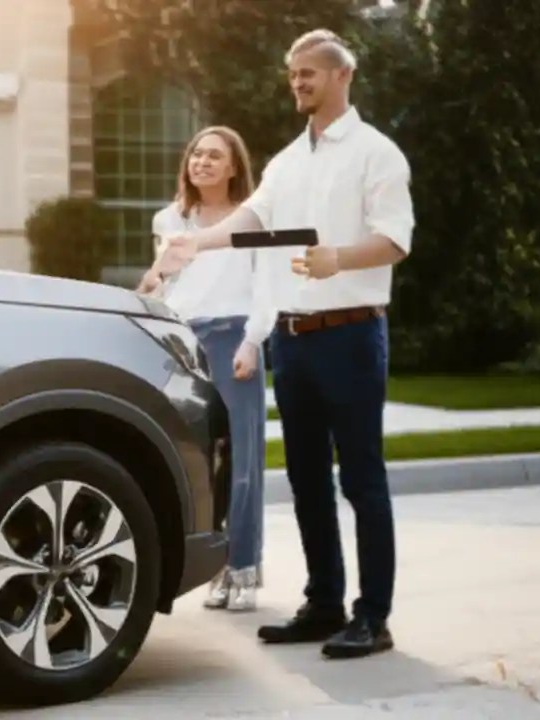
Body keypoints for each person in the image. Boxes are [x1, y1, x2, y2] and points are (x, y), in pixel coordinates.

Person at [155, 29, 415, 660]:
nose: (298, 83)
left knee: (361, 479)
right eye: (293, 73)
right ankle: (324, 603)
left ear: (341, 77)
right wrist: (196, 244)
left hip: (351, 333)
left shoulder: (377, 154)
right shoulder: (286, 161)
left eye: (309, 73)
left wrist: (338, 258)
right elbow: (252, 220)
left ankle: (371, 616)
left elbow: (396, 239)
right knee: (305, 479)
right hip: (294, 344)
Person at [138, 125, 273, 612]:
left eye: (215, 156)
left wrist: (254, 341)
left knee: (242, 461)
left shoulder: (250, 219)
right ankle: (219, 566)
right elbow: (158, 286)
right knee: (203, 464)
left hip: (235, 337)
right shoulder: (169, 218)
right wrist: (156, 275)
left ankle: (245, 569)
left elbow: (266, 288)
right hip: (185, 340)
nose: (203, 162)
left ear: (234, 167)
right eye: (197, 153)